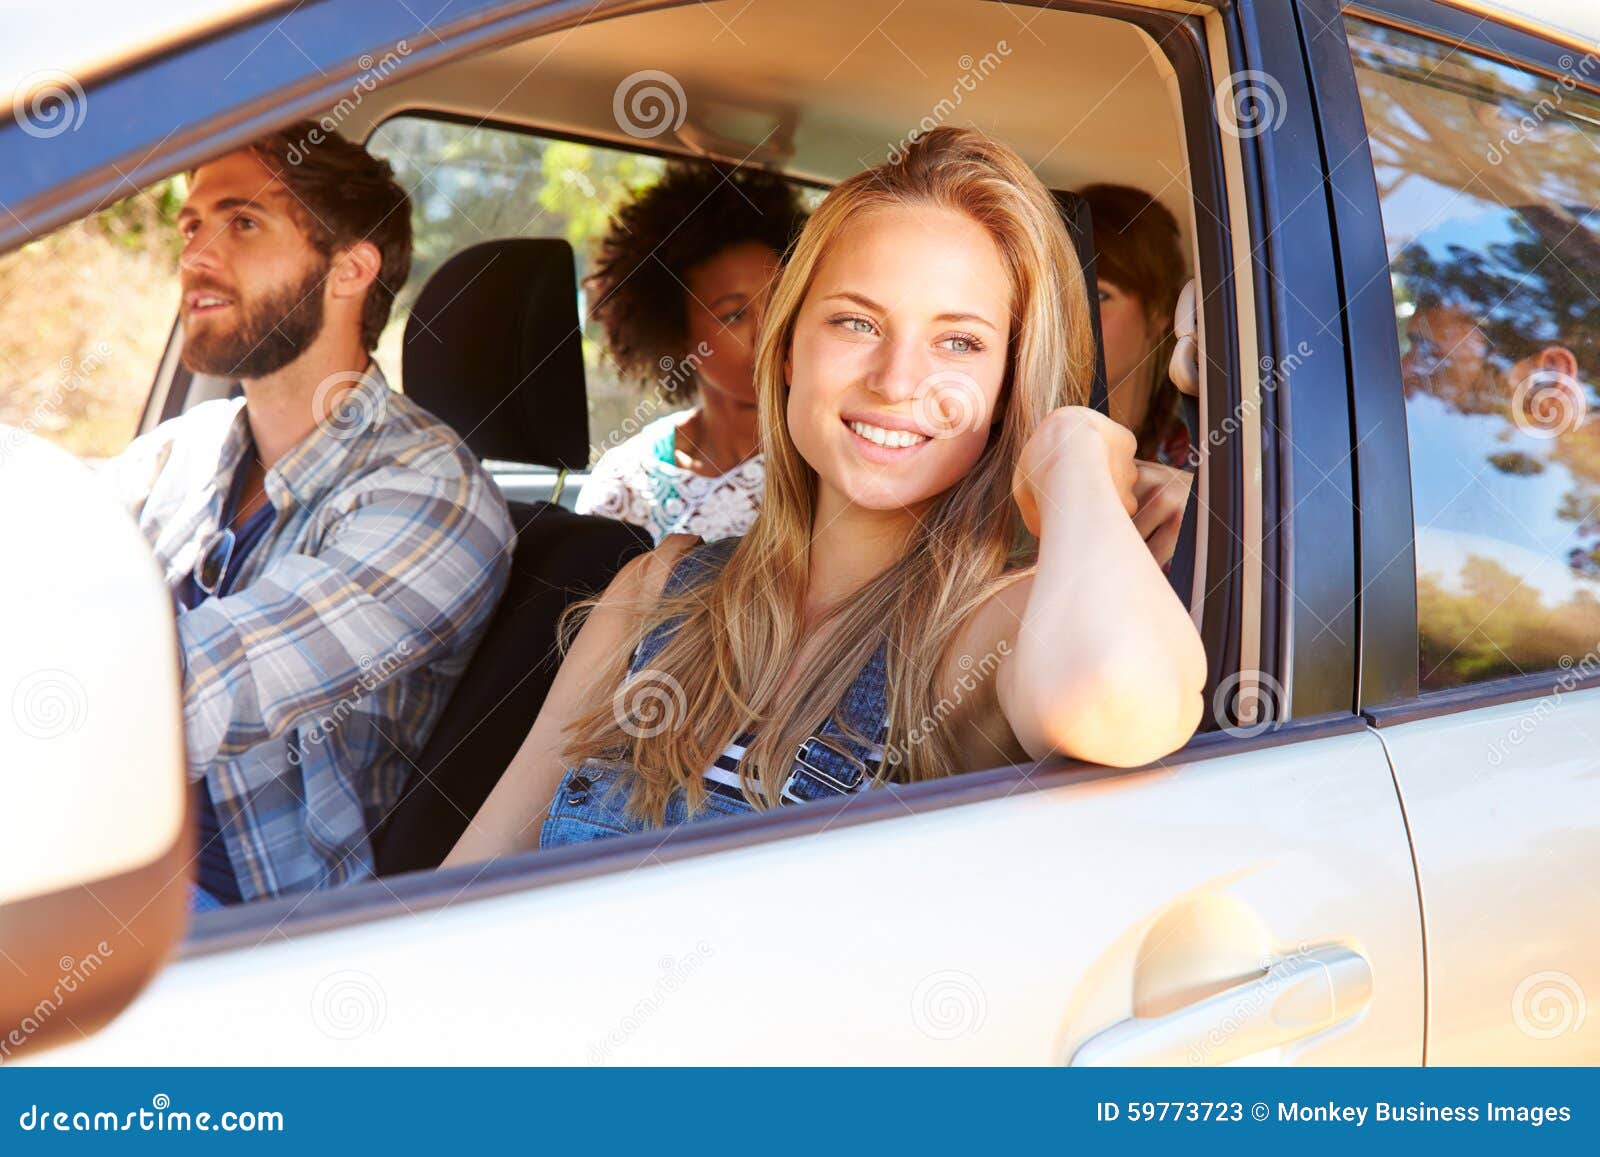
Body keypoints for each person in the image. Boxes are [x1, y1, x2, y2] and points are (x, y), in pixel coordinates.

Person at [445, 127, 1205, 862]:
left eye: (959, 342)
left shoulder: (992, 628)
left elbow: (1120, 703)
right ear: (786, 350)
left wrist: (1072, 451)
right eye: (856, 321)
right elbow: (463, 892)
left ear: (1009, 389)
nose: (897, 380)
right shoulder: (652, 593)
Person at [102, 123, 515, 907]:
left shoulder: (432, 498)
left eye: (242, 222)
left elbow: (200, 687)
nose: (194, 254)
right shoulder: (182, 452)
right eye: (192, 224)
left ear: (349, 268)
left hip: (250, 924)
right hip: (103, 853)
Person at [576, 161, 808, 542]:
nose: (772, 331)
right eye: (734, 314)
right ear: (677, 333)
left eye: (782, 301)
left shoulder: (834, 459)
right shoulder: (630, 483)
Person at [1078, 184, 1191, 466]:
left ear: (1157, 312)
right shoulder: (1006, 443)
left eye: (1102, 295)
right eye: (1061, 294)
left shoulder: (1201, 468)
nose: (1074, 316)